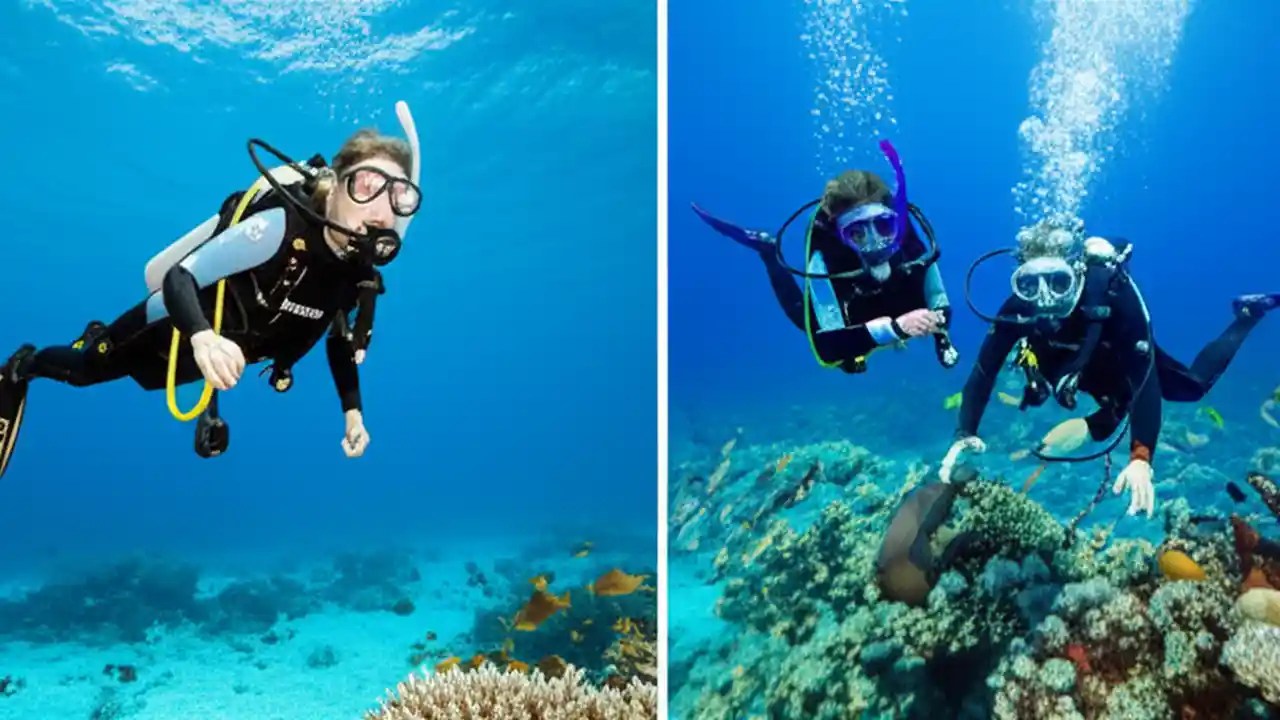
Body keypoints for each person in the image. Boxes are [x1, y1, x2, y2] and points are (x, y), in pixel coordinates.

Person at [0, 101, 424, 479]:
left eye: (400, 194)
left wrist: (353, 413)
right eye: (368, 184)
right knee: (84, 371)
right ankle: (22, 366)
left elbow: (339, 339)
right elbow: (179, 278)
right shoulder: (277, 229)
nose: (382, 207)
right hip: (167, 323)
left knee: (161, 374)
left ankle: (190, 393)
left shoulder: (356, 274)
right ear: (336, 184)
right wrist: (203, 339)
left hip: (215, 354)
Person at [941, 221, 1277, 517]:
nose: (1044, 297)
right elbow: (984, 371)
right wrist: (964, 432)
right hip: (1073, 369)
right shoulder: (1019, 307)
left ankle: (1248, 315)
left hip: (1116, 359)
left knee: (1191, 388)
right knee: (1091, 402)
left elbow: (1144, 381)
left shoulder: (1114, 295)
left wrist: (1141, 457)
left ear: (1077, 273)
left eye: (1058, 281)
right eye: (1029, 283)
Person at [691, 140, 959, 375]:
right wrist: (895, 329)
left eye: (883, 226)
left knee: (914, 289)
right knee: (804, 319)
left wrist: (937, 328)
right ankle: (769, 252)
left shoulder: (905, 230)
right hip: (853, 305)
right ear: (840, 234)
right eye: (857, 232)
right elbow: (826, 347)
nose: (874, 242)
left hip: (897, 297)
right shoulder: (827, 251)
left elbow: (939, 297)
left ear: (895, 222)